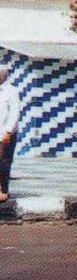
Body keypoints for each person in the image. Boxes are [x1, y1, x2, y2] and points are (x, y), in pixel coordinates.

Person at [0, 66, 21, 203]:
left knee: (4, 162)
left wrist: (8, 132)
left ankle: (3, 190)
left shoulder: (11, 92)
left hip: (5, 134)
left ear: (2, 76)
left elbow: (14, 114)